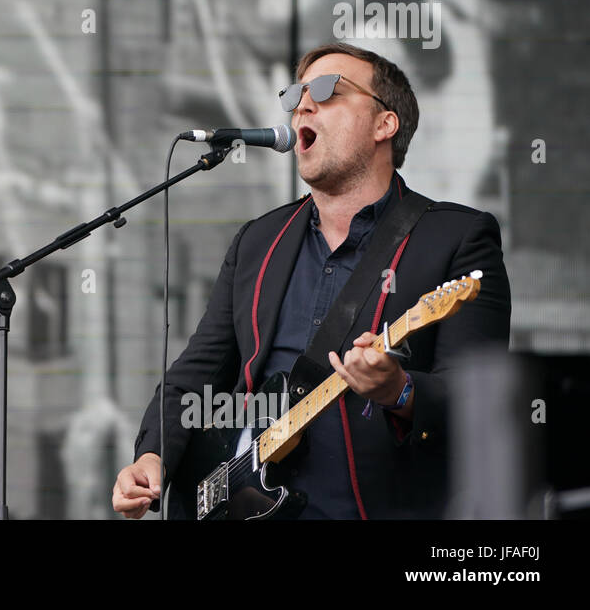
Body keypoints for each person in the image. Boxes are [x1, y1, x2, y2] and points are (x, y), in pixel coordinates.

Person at [113, 42, 511, 519]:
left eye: (327, 90)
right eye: (297, 93)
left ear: (385, 124)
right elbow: (195, 375)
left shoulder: (456, 238)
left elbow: (478, 402)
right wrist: (151, 456)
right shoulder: (258, 241)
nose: (303, 103)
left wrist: (400, 391)